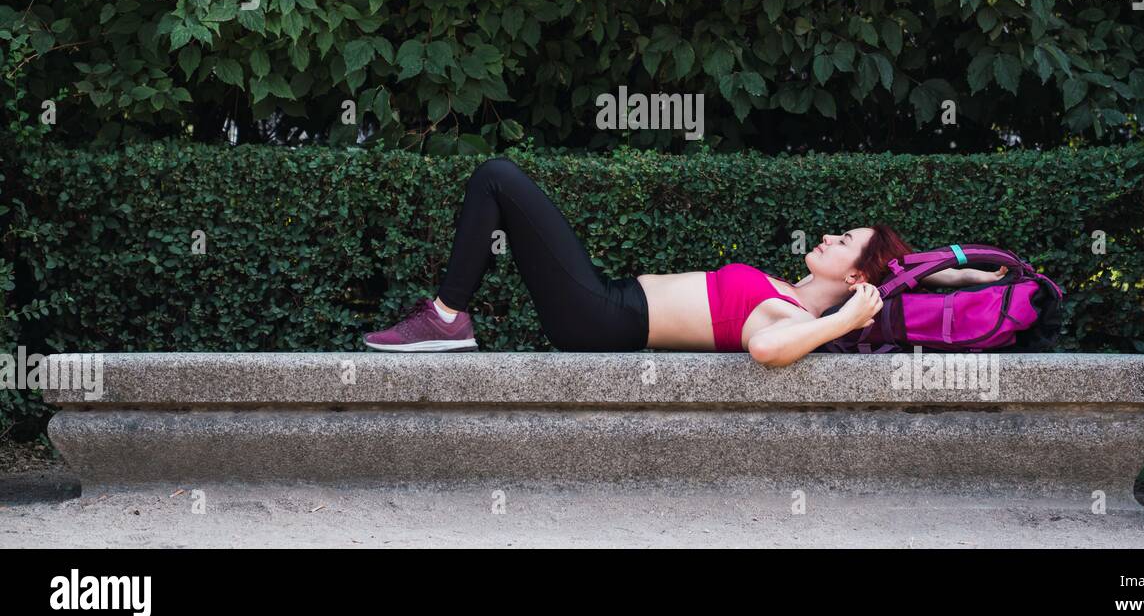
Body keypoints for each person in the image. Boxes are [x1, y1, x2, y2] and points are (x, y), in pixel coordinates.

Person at [363, 157, 1006, 366]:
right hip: (604, 300)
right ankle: (448, 316)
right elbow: (901, 271)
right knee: (499, 179)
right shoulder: (786, 287)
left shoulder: (781, 313)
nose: (831, 238)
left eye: (844, 242)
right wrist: (960, 270)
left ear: (856, 278)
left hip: (599, 315)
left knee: (498, 177)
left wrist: (842, 323)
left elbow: (769, 353)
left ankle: (448, 316)